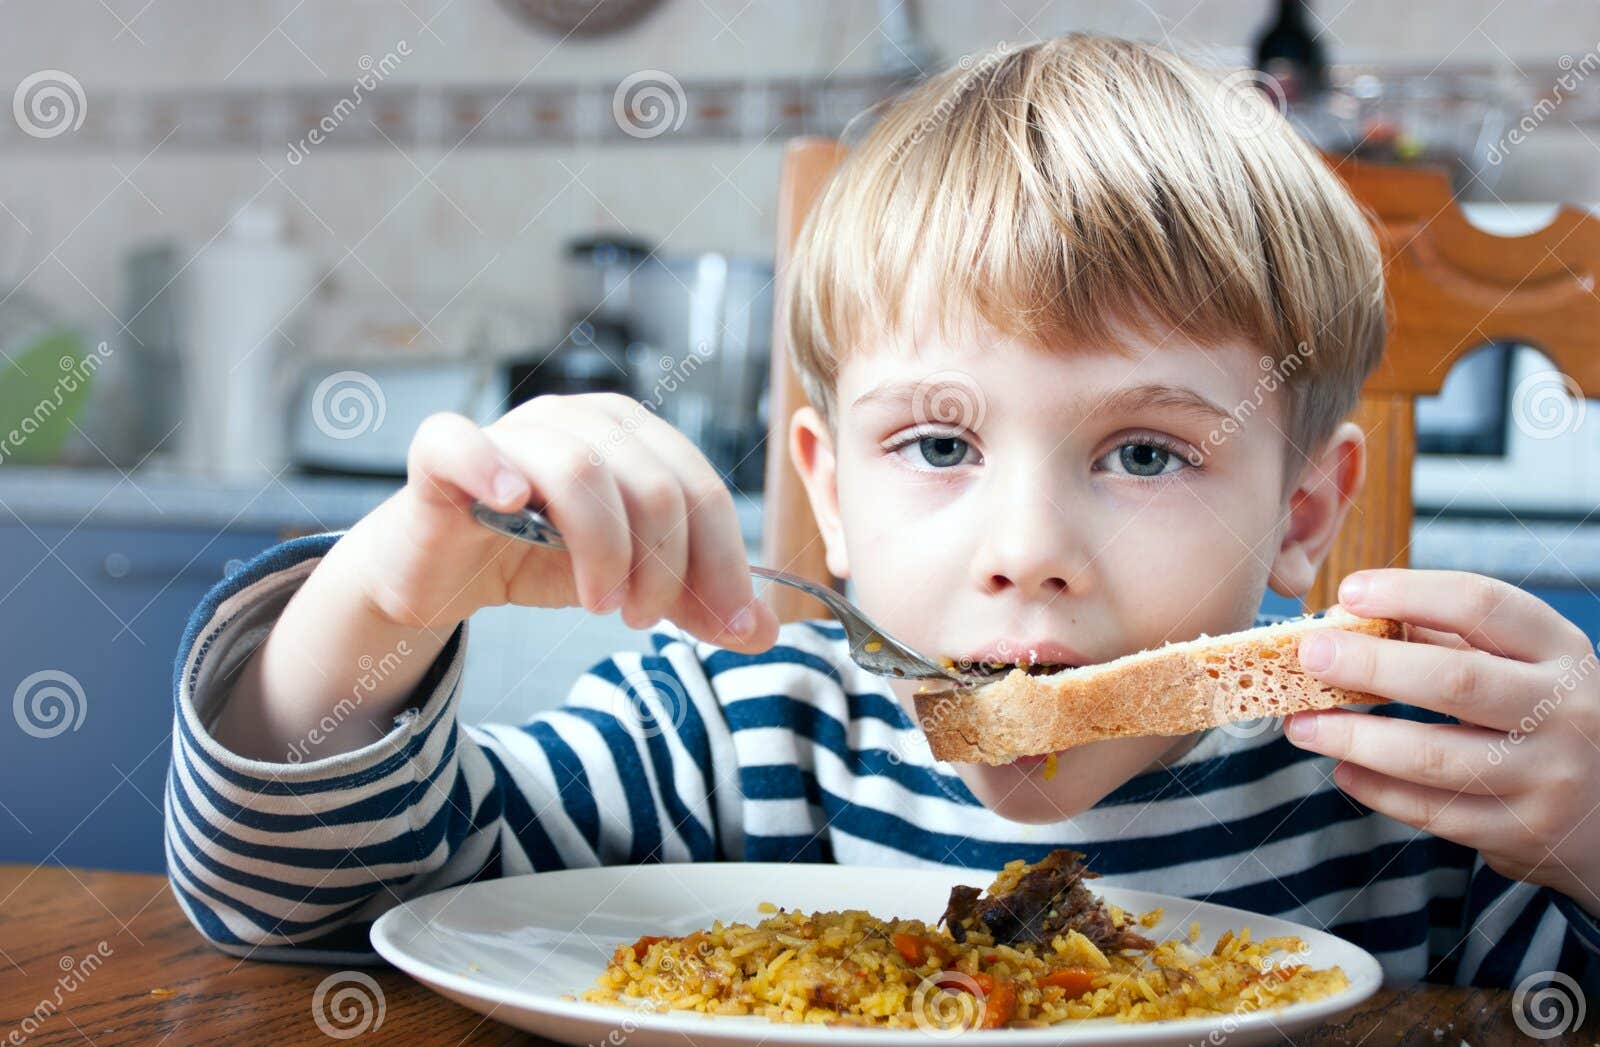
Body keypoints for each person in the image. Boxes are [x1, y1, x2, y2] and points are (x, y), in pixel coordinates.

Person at [165, 35, 1600, 994]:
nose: (1023, 549)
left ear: (1302, 515)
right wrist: (386, 603)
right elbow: (297, 900)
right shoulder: (745, 726)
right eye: (936, 442)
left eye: (1147, 455)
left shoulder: (1406, 807)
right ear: (828, 490)